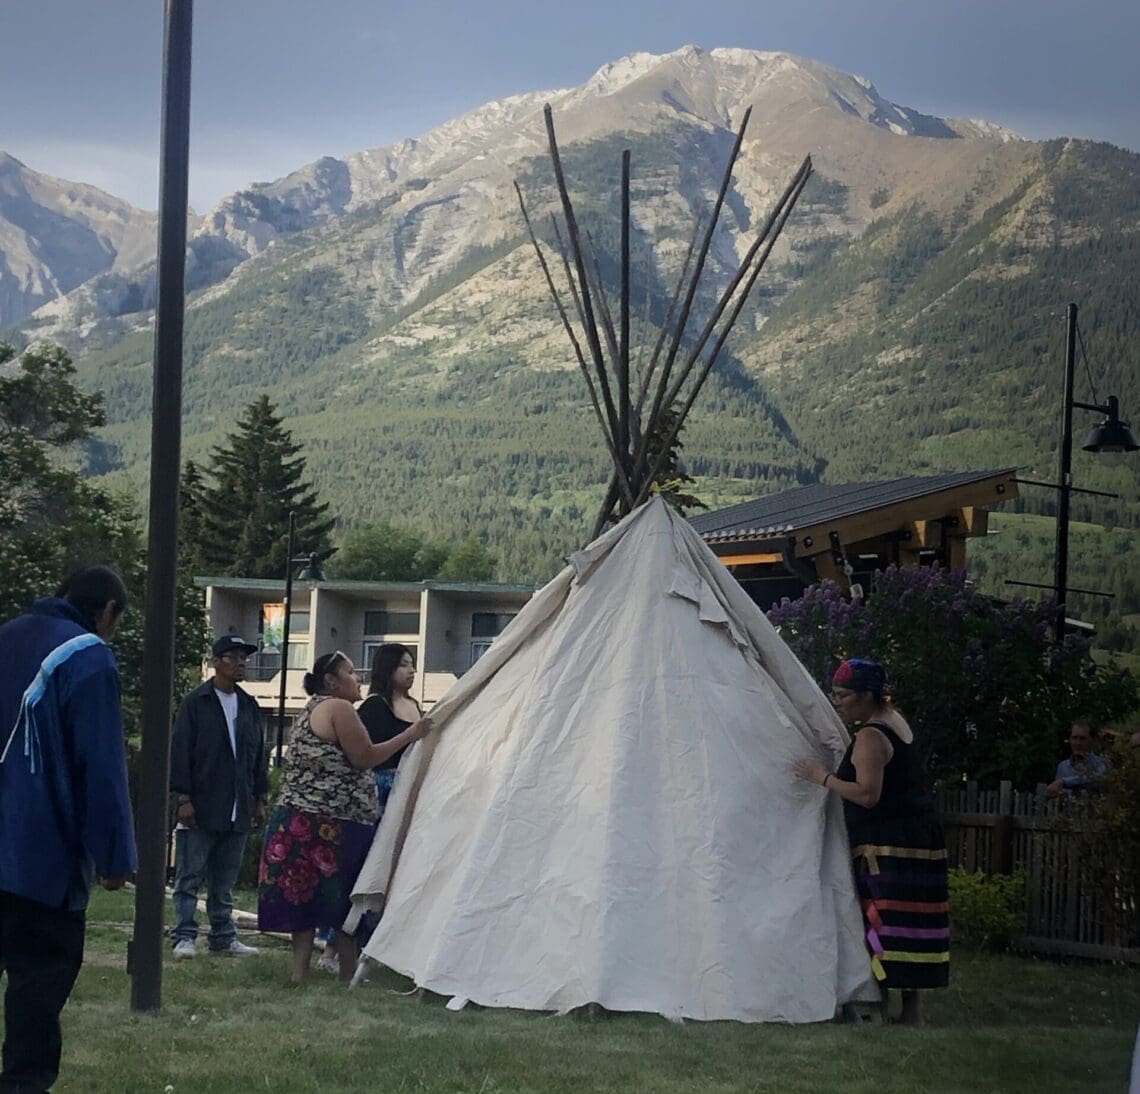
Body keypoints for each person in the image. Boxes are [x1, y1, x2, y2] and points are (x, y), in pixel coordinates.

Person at [0, 565, 137, 1091]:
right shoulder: (87, 656)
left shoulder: (7, 635)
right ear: (106, 612)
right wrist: (113, 856)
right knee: (36, 990)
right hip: (40, 860)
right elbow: (99, 764)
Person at [257, 651, 431, 983]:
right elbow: (365, 757)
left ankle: (301, 972)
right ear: (331, 681)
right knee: (346, 897)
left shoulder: (311, 709)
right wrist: (410, 736)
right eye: (351, 672)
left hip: (298, 818)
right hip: (332, 824)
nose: (358, 678)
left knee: (304, 899)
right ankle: (347, 973)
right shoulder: (339, 708)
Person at [793, 658, 948, 1026]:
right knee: (913, 923)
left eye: (844, 695)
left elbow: (866, 794)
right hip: (919, 836)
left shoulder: (871, 736)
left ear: (867, 695)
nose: (837, 702)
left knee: (884, 921)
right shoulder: (898, 723)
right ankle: (911, 1010)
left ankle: (889, 1002)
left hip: (887, 844)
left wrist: (822, 777)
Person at [314, 642, 423, 975]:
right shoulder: (374, 706)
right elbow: (363, 755)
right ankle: (332, 948)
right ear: (388, 668)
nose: (410, 671)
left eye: (413, 665)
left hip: (408, 791)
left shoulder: (416, 707)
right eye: (404, 664)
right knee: (363, 869)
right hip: (377, 792)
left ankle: (376, 946)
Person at [169, 635, 269, 958]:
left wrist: (260, 797)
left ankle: (223, 936)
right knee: (190, 875)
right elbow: (181, 750)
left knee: (224, 879)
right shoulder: (195, 703)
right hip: (202, 803)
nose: (241, 663)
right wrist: (183, 798)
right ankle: (184, 934)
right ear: (216, 662)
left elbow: (258, 756)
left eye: (244, 657)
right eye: (233, 657)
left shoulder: (250, 706)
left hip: (238, 805)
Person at [1045, 718, 1109, 798]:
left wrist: (1063, 782)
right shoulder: (1062, 767)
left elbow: (1094, 778)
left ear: (1093, 740)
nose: (1078, 743)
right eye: (1074, 738)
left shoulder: (1102, 764)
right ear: (1070, 739)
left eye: (1083, 739)